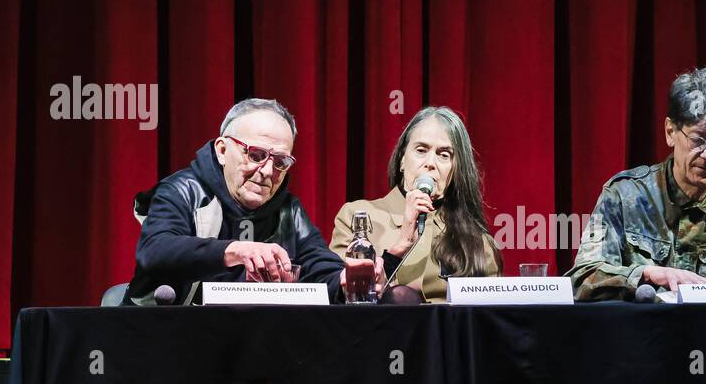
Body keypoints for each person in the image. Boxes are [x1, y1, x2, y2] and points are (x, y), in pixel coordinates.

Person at [567, 65, 706, 300]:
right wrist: (647, 274)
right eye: (698, 140)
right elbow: (583, 278)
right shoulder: (624, 196)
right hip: (643, 332)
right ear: (670, 131)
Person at [124, 98, 379, 305]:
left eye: (280, 162)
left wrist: (344, 279)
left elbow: (318, 265)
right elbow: (156, 251)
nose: (268, 171)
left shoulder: (288, 210)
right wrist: (236, 250)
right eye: (256, 155)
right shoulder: (183, 190)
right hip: (170, 336)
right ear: (222, 151)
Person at [330, 106, 501, 303]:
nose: (430, 163)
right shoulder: (357, 216)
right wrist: (402, 242)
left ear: (455, 171)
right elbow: (343, 298)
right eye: (421, 150)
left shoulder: (478, 241)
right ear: (402, 159)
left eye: (444, 155)